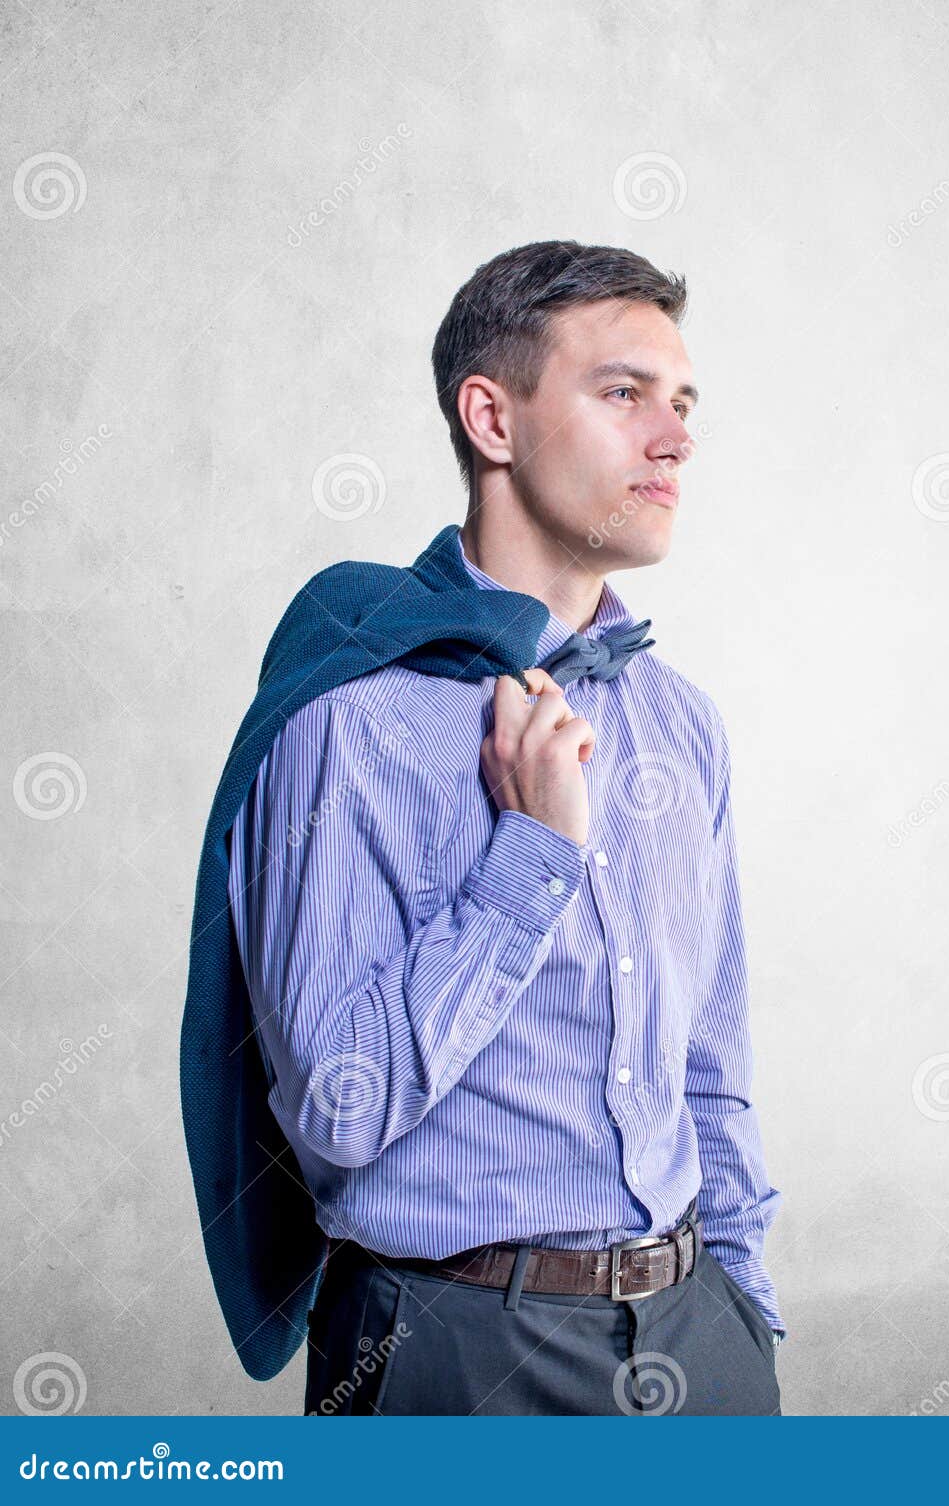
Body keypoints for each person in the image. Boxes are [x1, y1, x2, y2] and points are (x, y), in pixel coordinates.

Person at [224, 241, 783, 1415]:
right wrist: (529, 861)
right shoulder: (352, 725)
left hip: (699, 1346)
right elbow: (337, 1109)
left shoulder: (683, 726)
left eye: (682, 404)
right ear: (492, 417)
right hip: (453, 1353)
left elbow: (709, 1074)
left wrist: (741, 1308)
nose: (675, 438)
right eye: (624, 393)